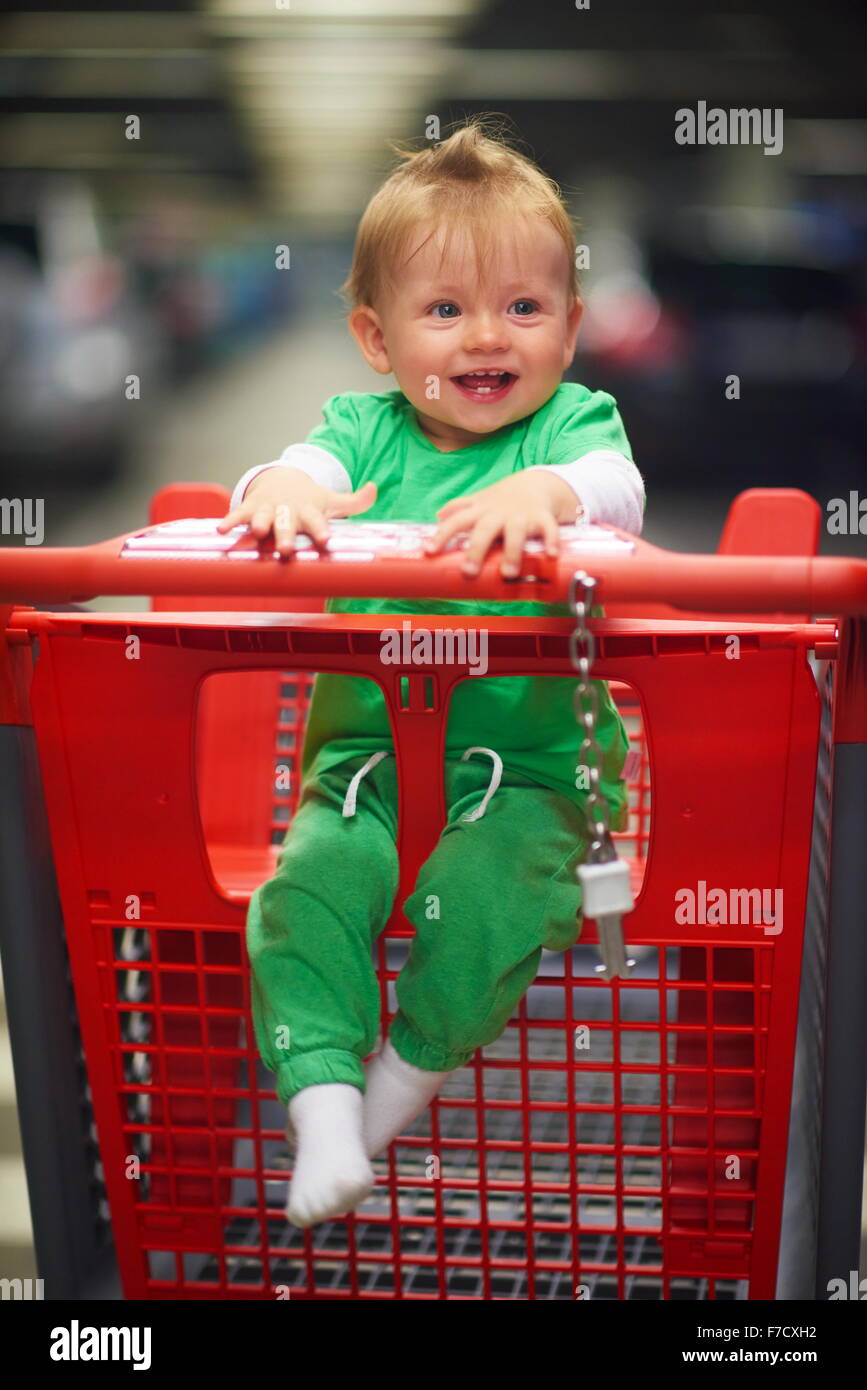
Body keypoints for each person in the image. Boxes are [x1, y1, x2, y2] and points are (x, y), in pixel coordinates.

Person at [217, 117, 646, 1228]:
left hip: (531, 771)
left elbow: (617, 490)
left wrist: (546, 494)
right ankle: (317, 1106)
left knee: (489, 903)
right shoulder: (361, 429)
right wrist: (279, 490)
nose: (483, 337)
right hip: (365, 764)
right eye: (444, 309)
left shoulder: (571, 426)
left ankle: (390, 1093)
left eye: (522, 306)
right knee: (305, 890)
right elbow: (294, 466)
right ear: (376, 336)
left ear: (570, 326)